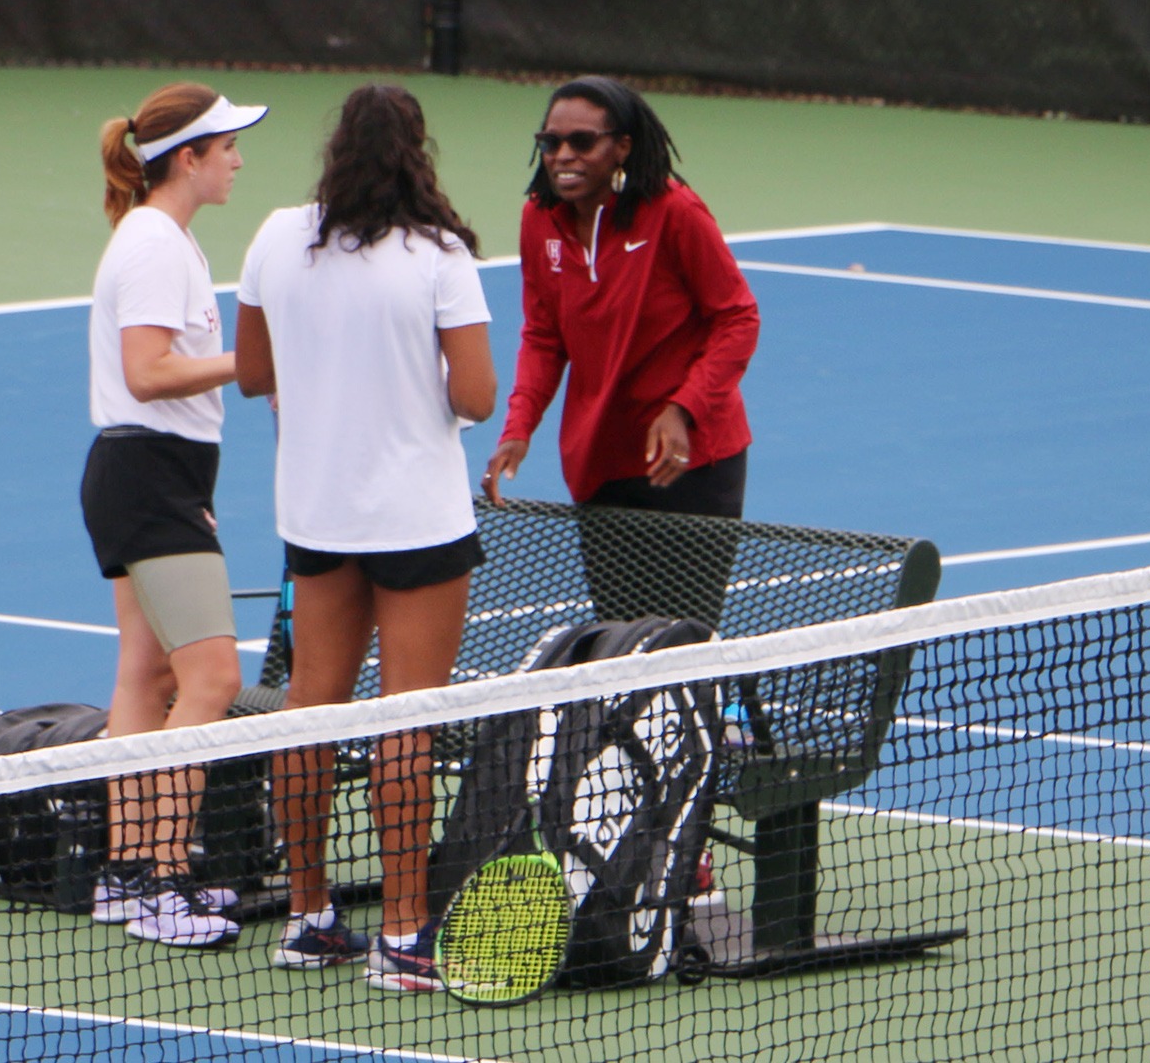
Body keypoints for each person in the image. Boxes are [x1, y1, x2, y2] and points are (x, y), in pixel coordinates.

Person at [235, 84, 495, 991]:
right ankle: (405, 935)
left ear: (336, 149)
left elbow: (254, 372)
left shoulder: (274, 236)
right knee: (406, 728)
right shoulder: (441, 255)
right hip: (419, 521)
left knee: (310, 710)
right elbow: (476, 396)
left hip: (315, 519)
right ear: (417, 152)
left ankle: (309, 918)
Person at [79, 82, 265, 948]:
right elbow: (149, 371)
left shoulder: (160, 238)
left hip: (149, 472)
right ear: (187, 157)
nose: (237, 159)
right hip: (150, 473)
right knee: (212, 682)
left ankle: (123, 874)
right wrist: (257, 360)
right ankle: (160, 879)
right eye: (225, 145)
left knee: (146, 676)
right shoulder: (156, 244)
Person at [481, 76, 760, 626]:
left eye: (582, 143)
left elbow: (737, 317)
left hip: (691, 462)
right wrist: (519, 427)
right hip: (600, 462)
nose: (563, 156)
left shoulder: (675, 212)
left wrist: (683, 408)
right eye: (550, 142)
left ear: (622, 148)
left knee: (682, 639)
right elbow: (543, 334)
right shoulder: (539, 220)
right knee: (619, 644)